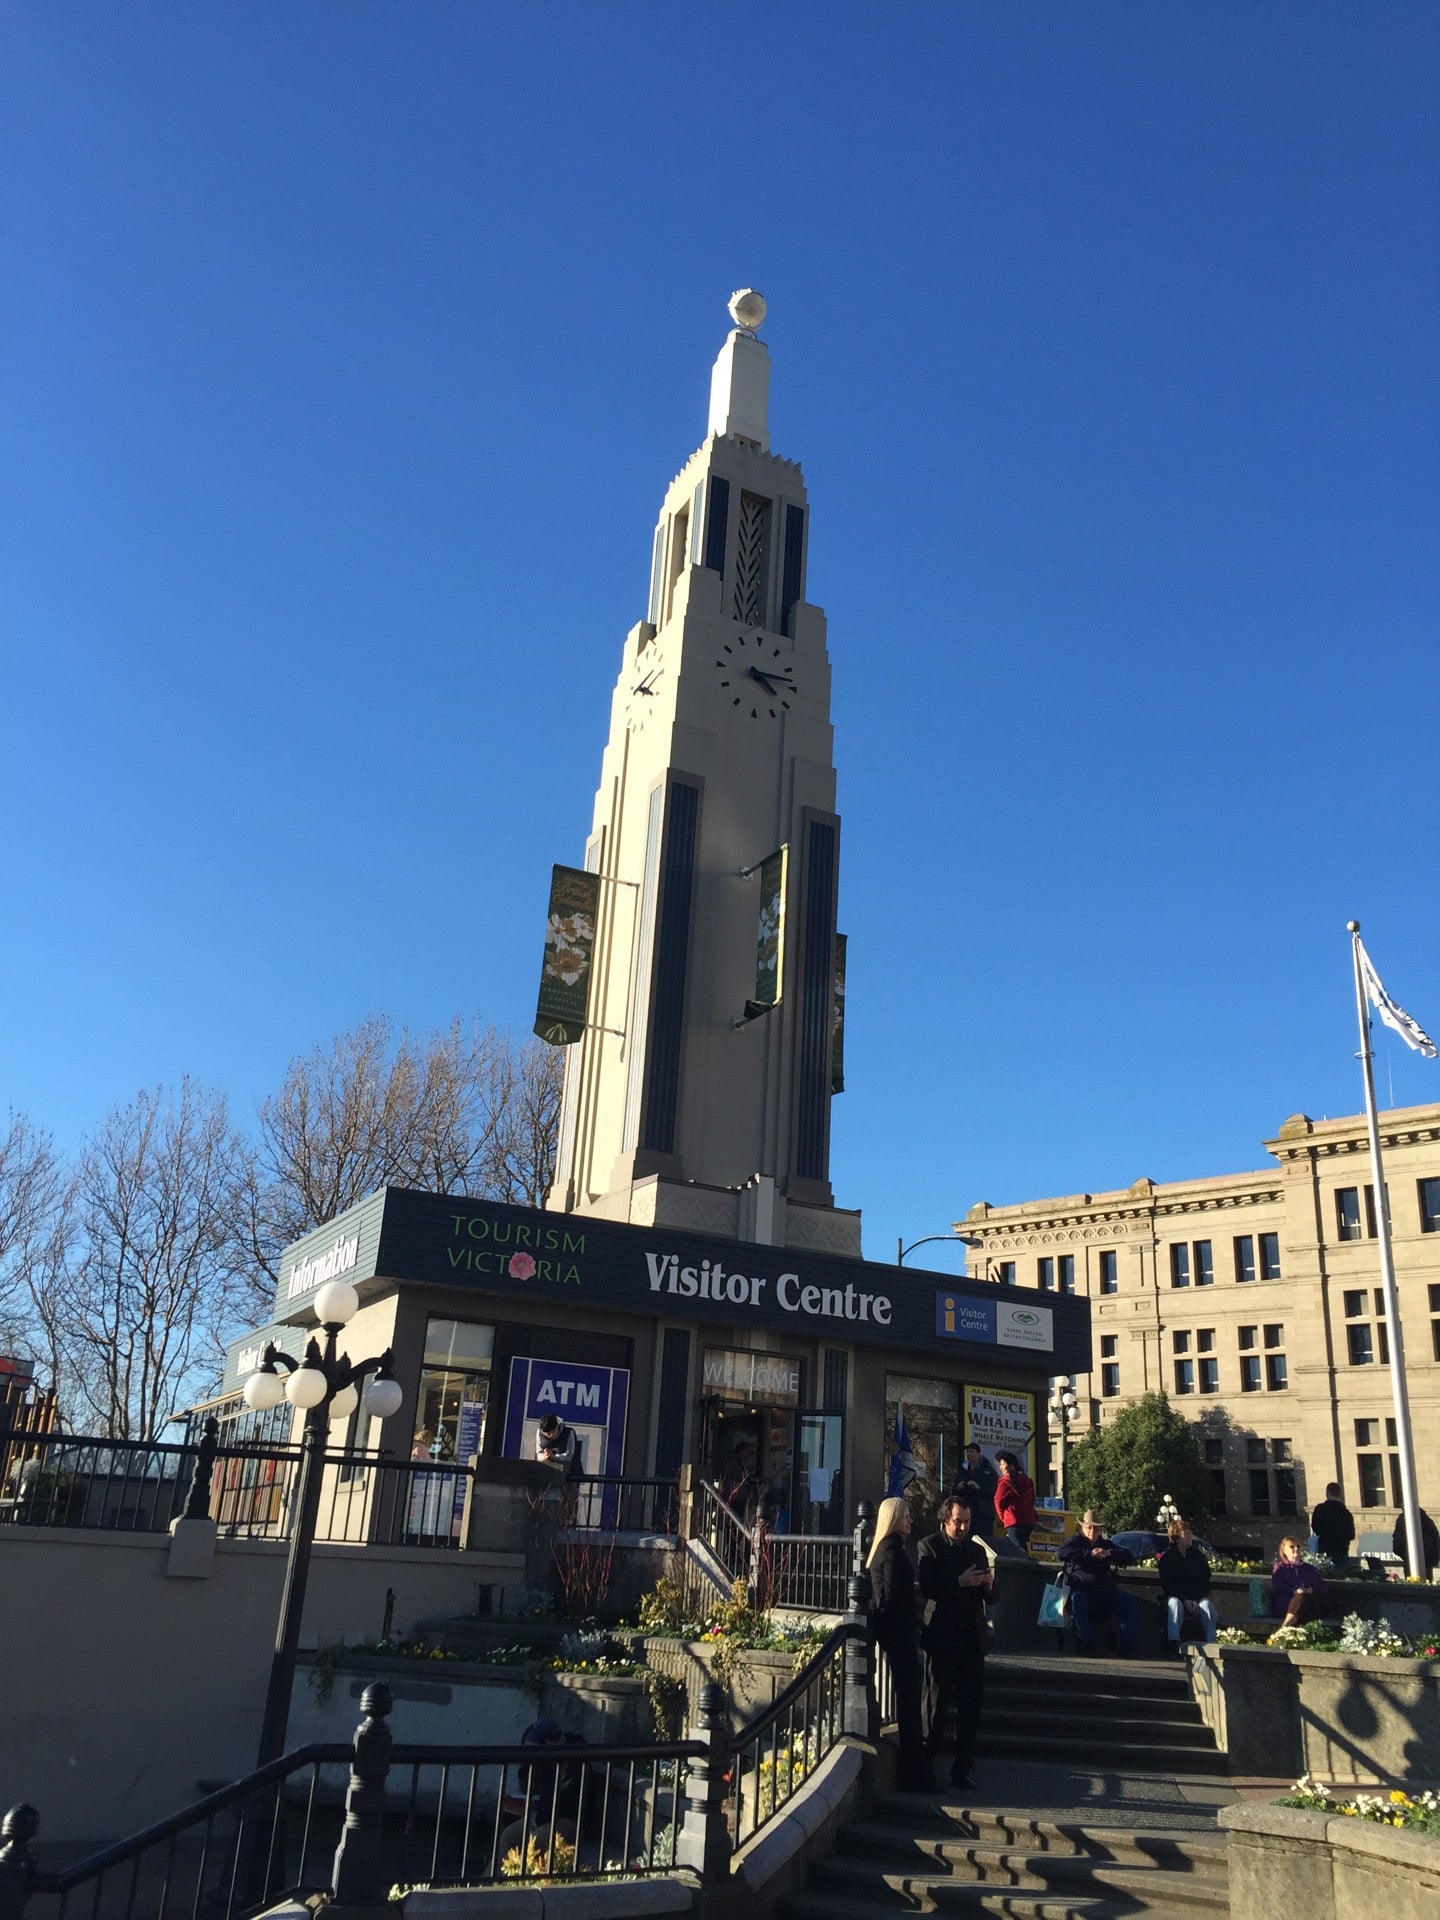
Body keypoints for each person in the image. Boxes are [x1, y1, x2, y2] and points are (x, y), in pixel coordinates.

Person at [916, 1493, 994, 1790]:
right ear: (945, 1520)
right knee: (935, 1704)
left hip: (971, 1638)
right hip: (942, 1636)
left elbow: (990, 1597)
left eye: (967, 1522)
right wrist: (958, 1582)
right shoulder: (930, 1546)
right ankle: (926, 1764)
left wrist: (989, 1585)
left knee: (970, 1708)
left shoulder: (976, 1551)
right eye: (958, 1522)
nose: (963, 1528)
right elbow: (928, 1587)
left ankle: (963, 1769)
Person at [866, 1494, 936, 1792]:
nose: (911, 1519)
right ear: (894, 1518)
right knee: (909, 1700)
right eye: (906, 1515)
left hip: (895, 1630)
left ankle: (913, 1770)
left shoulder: (886, 1547)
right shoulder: (892, 1550)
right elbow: (891, 1595)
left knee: (908, 1697)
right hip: (899, 1632)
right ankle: (913, 1772)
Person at [497, 1717, 586, 1863]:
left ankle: (517, 1880)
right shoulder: (549, 1759)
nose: (532, 1756)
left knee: (534, 1842)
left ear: (549, 1743)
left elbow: (561, 1801)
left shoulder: (572, 1761)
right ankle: (490, 1880)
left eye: (535, 1749)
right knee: (508, 1836)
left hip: (568, 1820)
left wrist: (536, 1820)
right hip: (548, 1815)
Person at [1057, 1510, 1137, 1655]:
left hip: (1103, 1591)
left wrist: (1108, 1554)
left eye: (1096, 1528)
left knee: (1127, 1602)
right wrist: (1089, 1554)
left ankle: (1126, 1647)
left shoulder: (1105, 1544)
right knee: (1077, 1600)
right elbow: (1061, 1553)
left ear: (1100, 1529)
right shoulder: (1075, 1541)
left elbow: (1129, 1556)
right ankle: (1085, 1643)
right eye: (1089, 1527)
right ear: (1082, 1528)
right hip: (1081, 1589)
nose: (1092, 1531)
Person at [1156, 1518, 1217, 1653]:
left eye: (1190, 1532)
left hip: (1197, 1598)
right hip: (1178, 1597)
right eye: (1186, 1532)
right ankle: (1174, 1643)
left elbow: (1205, 1580)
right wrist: (1185, 1600)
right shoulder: (1167, 1557)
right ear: (1177, 1536)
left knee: (1207, 1605)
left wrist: (1196, 1599)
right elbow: (1168, 1584)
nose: (1190, 1535)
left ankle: (1212, 1643)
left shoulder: (1197, 1556)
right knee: (1174, 1604)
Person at [1271, 1537, 1332, 1627]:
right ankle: (1289, 1623)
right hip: (1287, 1605)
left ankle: (1284, 1627)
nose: (1296, 1549)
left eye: (1298, 1546)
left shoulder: (1309, 1568)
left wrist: (1311, 1590)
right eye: (1292, 1546)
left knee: (1303, 1597)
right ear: (1284, 1550)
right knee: (1299, 1597)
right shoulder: (1280, 1568)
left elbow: (1323, 1587)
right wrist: (1294, 1591)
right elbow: (1278, 1586)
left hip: (1310, 1605)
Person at [993, 1450, 1038, 1554]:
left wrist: (1003, 1517)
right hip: (1028, 1520)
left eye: (1003, 1464)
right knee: (1020, 1545)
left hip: (1013, 1519)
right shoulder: (1027, 1480)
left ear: (1011, 1465)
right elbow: (1032, 1499)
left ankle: (1025, 1567)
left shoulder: (1004, 1482)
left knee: (1018, 1548)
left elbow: (998, 1501)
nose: (1001, 1467)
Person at [954, 1441, 999, 1541]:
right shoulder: (963, 1469)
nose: (969, 1454)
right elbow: (954, 1490)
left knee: (985, 1542)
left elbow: (994, 1490)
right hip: (967, 1512)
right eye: (968, 1451)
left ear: (979, 1453)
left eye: (972, 1451)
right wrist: (959, 1487)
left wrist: (979, 1488)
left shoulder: (988, 1470)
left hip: (983, 1514)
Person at [1309, 1484, 1355, 1565]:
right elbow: (1351, 1535)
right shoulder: (1346, 1513)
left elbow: (1315, 1528)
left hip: (1324, 1550)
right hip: (1342, 1551)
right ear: (1339, 1494)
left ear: (1328, 1493)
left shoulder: (1320, 1509)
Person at [1392, 1507, 1440, 1580]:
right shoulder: (1427, 1521)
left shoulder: (1404, 1519)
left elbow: (1398, 1541)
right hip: (1423, 1560)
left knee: (1416, 1583)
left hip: (1417, 1559)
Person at [535, 1411, 580, 1478]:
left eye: (553, 1431)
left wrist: (555, 1457)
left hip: (568, 1475)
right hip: (545, 1473)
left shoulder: (569, 1433)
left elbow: (570, 1456)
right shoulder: (539, 1433)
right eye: (548, 1433)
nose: (552, 1435)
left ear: (557, 1426)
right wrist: (544, 1456)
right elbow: (538, 1453)